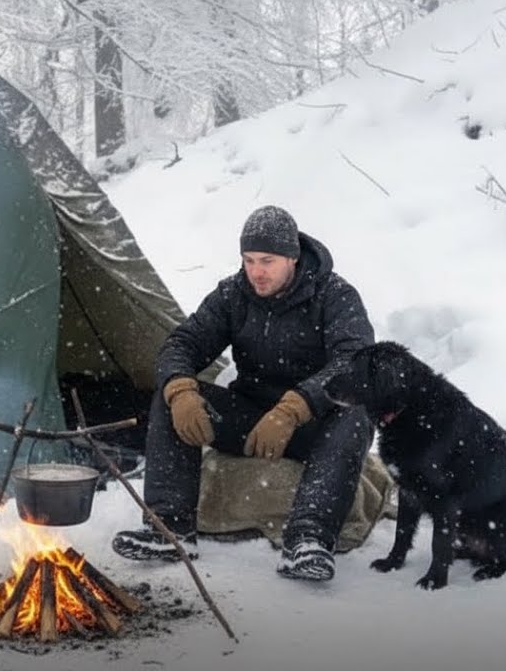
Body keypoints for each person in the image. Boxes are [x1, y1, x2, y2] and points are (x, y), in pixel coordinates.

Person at [112, 205, 375, 582]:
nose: (256, 271)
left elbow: (353, 361)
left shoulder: (335, 295)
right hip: (251, 418)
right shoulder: (234, 293)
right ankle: (169, 529)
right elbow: (182, 343)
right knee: (172, 397)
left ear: (293, 258)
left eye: (267, 260)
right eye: (249, 260)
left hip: (311, 424)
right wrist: (181, 389)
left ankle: (309, 540)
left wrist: (294, 409)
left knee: (356, 412)